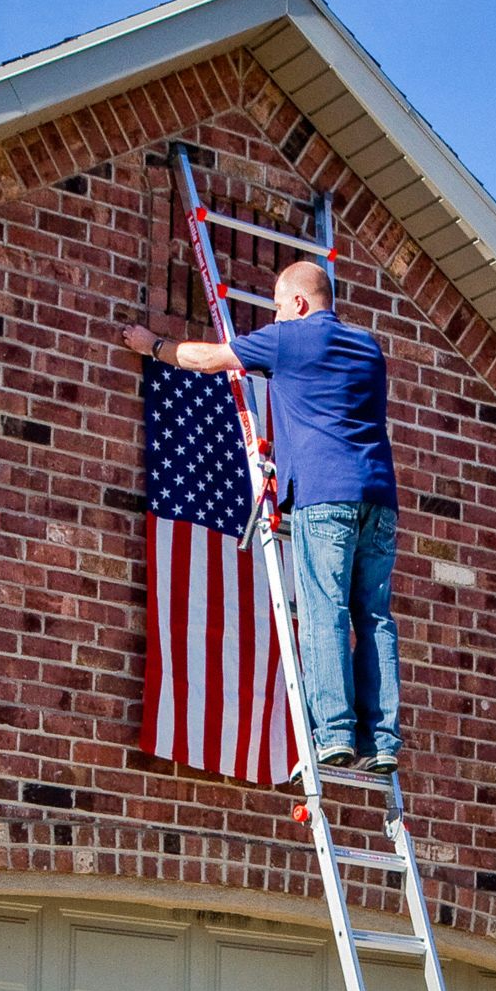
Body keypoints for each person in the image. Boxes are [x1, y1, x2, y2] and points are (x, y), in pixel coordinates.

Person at [123, 260, 401, 775]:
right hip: (380, 500)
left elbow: (210, 358)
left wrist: (152, 347)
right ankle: (382, 740)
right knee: (375, 617)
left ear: (298, 303)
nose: (275, 315)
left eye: (277, 305)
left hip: (325, 495)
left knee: (325, 612)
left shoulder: (292, 339)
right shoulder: (368, 347)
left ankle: (333, 734)